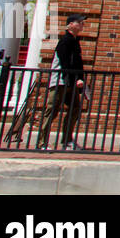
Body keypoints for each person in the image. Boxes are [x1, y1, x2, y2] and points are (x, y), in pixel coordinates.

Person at [36, 14, 87, 151]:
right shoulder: (65, 41)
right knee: (52, 111)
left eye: (82, 22)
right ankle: (41, 143)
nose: (82, 24)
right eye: (79, 22)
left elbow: (78, 63)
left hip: (72, 82)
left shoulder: (76, 42)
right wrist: (74, 79)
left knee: (75, 109)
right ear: (70, 25)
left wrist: (80, 80)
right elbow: (65, 63)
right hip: (60, 81)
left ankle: (67, 141)